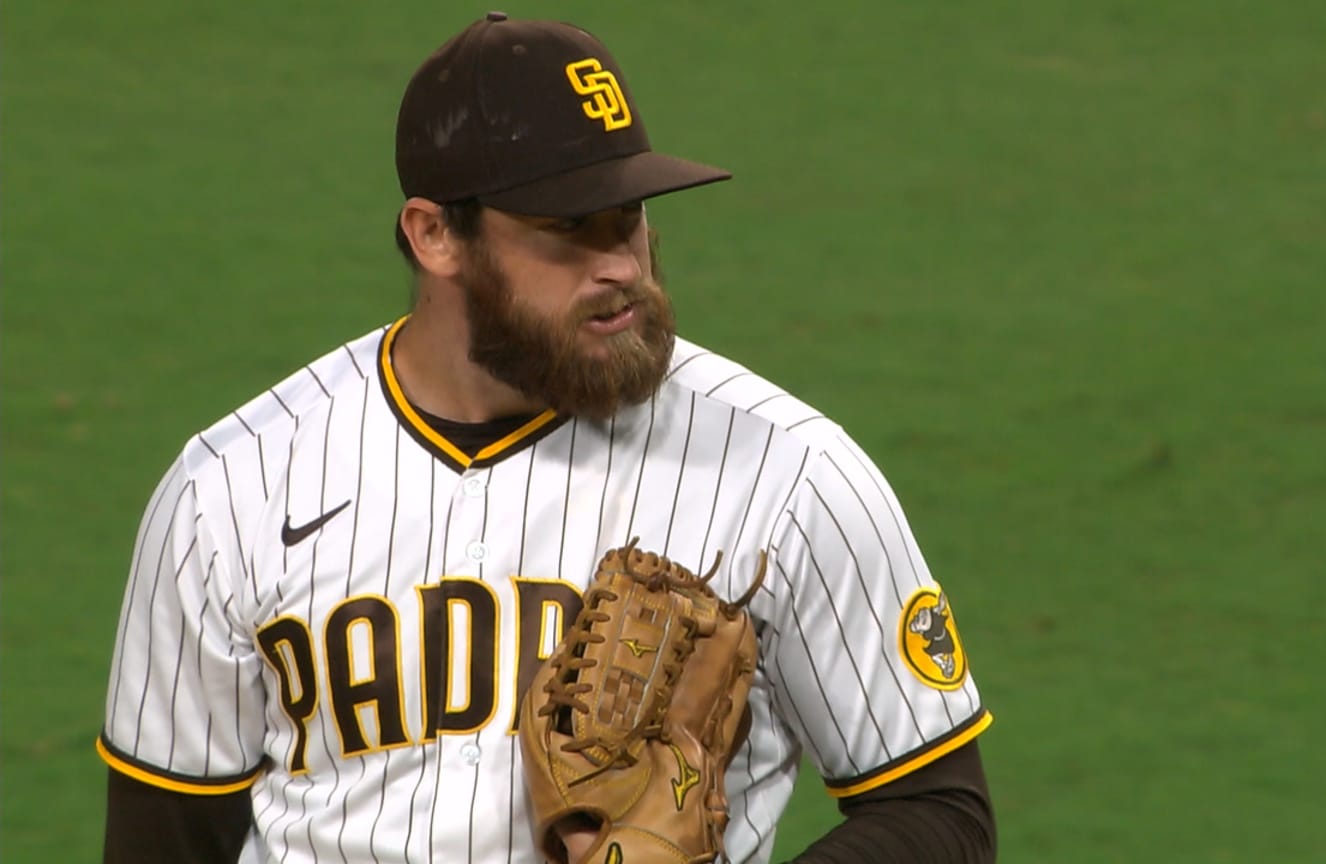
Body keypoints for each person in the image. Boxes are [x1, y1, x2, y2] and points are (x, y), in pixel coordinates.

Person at [98, 13, 996, 863]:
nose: (621, 266)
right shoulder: (235, 489)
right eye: (569, 230)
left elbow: (940, 814)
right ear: (435, 235)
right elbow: (163, 843)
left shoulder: (786, 472)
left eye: (628, 217)